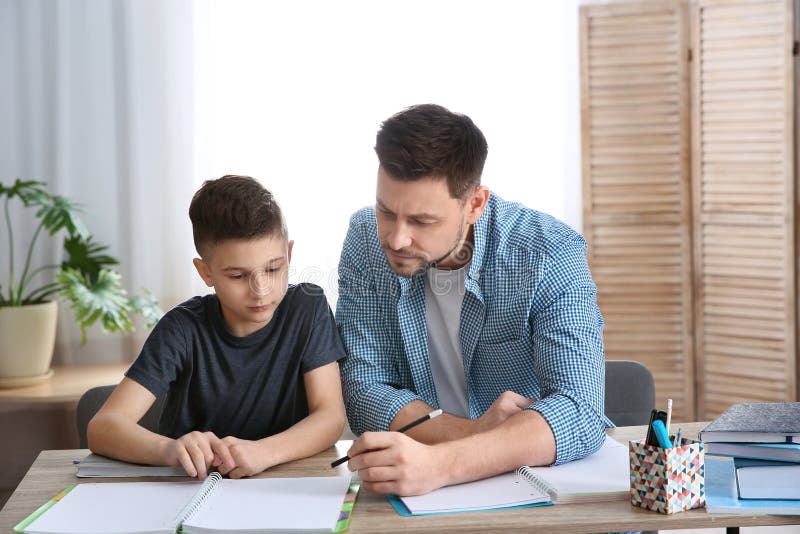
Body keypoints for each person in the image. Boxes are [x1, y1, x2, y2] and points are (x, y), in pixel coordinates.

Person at [336, 104, 609, 496]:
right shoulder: (365, 239)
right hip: (419, 483)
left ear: (475, 204)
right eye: (386, 210)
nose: (395, 239)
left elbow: (580, 410)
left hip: (528, 487)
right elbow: (364, 389)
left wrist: (444, 463)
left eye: (422, 221)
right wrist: (471, 435)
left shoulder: (549, 252)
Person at [88, 175, 346, 479]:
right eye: (237, 276)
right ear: (205, 271)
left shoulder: (308, 307)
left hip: (283, 481)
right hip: (192, 488)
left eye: (273, 268)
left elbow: (330, 416)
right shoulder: (181, 329)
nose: (260, 289)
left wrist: (262, 452)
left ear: (289, 254)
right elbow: (103, 428)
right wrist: (169, 449)